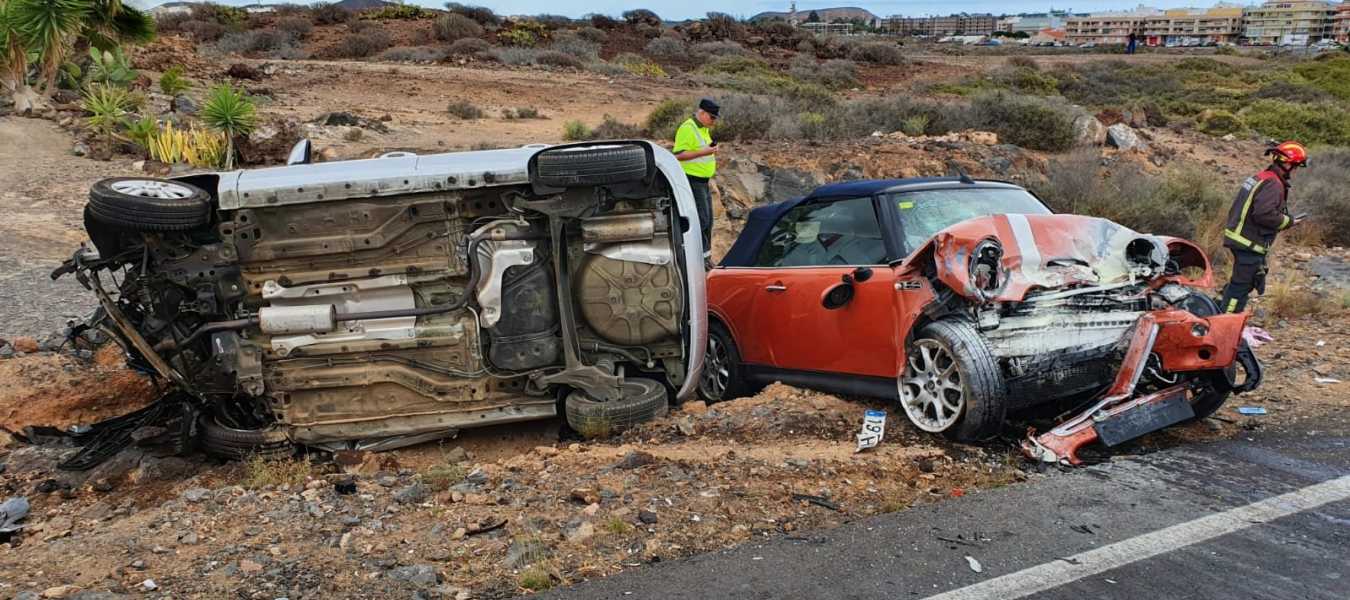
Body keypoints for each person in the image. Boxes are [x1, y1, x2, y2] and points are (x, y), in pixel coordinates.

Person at [1218, 141, 1308, 313]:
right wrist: (1288, 221)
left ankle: (1219, 310)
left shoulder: (1261, 177)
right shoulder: (1273, 184)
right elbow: (1263, 214)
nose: (1296, 171)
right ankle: (1225, 327)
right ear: (1287, 164)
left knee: (1240, 282)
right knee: (1240, 287)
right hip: (1247, 242)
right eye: (1296, 166)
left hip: (1240, 238)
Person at [674, 98, 719, 267]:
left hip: (703, 181)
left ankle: (705, 256)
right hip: (692, 181)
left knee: (708, 221)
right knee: (702, 219)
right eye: (712, 117)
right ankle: (698, 259)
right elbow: (679, 155)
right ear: (702, 113)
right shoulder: (688, 128)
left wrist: (711, 150)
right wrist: (704, 152)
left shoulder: (703, 129)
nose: (713, 121)